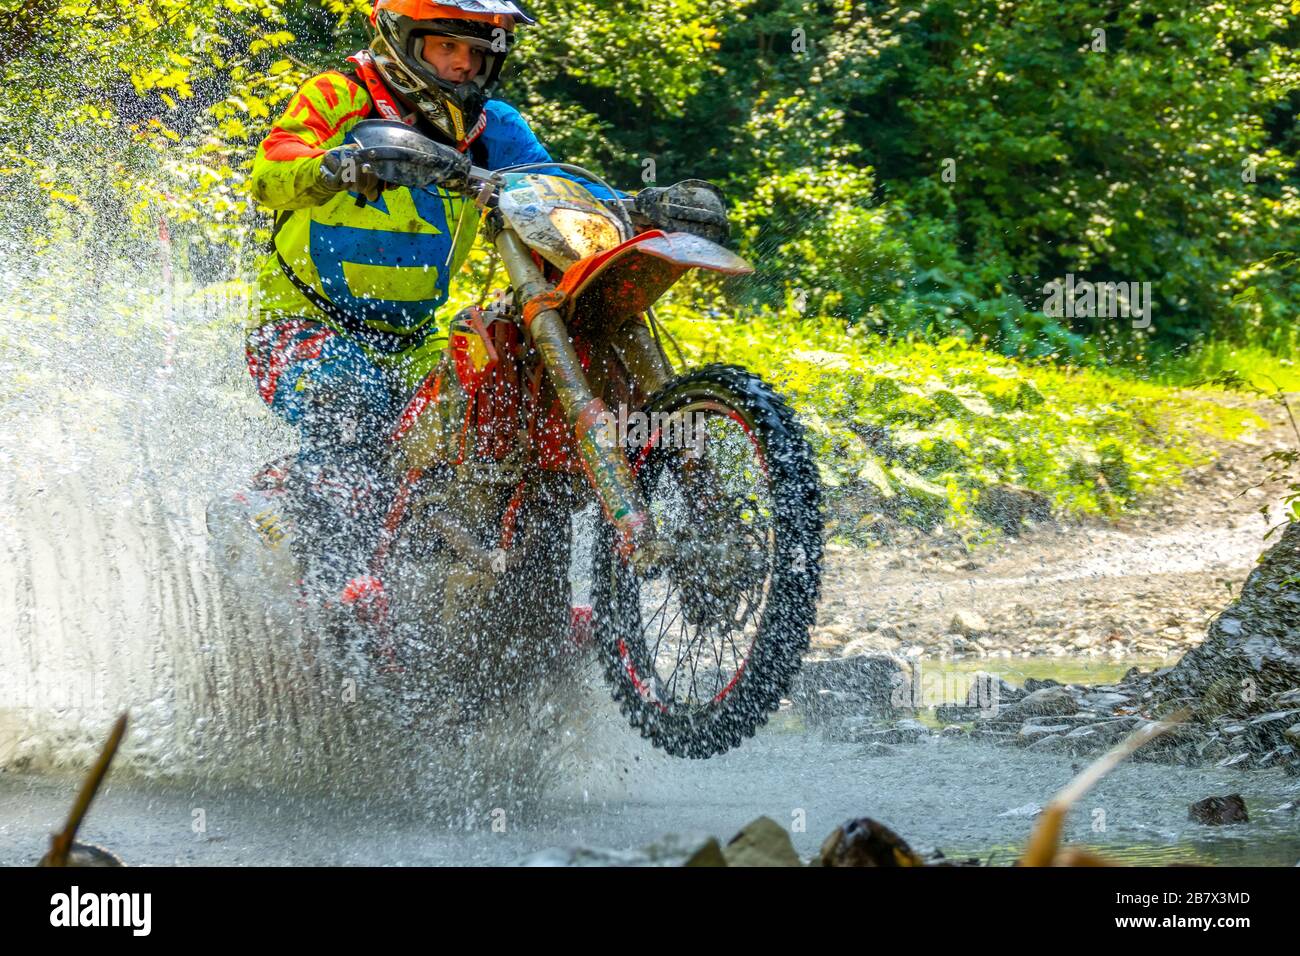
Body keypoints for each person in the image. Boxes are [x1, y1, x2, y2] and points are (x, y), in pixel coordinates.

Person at [244, 0, 730, 614]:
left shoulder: (494, 126)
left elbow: (565, 194)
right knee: (355, 405)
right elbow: (270, 169)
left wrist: (643, 205)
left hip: (413, 336)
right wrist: (341, 163)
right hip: (302, 327)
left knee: (491, 414)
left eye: (475, 52)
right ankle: (331, 594)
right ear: (402, 38)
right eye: (445, 47)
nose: (461, 64)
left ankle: (496, 594)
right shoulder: (339, 94)